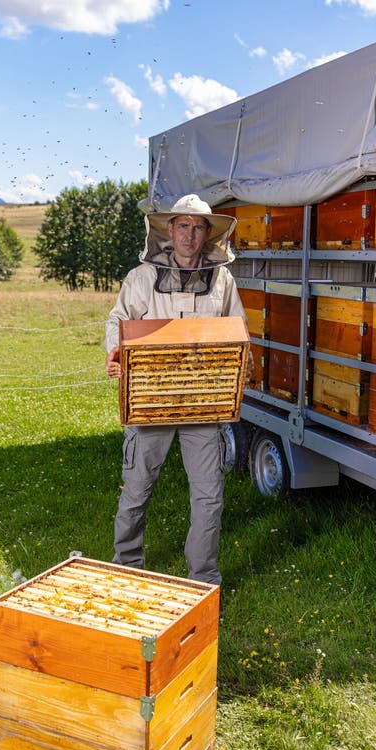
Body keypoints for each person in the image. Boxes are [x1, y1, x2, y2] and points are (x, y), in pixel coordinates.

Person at [104, 193, 251, 587]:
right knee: (137, 489)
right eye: (182, 225)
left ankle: (204, 580)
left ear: (207, 233)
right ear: (170, 230)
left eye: (197, 226)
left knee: (209, 498)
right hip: (151, 401)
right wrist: (114, 352)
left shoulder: (222, 280)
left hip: (204, 407)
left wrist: (240, 368)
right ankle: (126, 567)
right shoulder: (140, 278)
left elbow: (238, 331)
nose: (189, 234)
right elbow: (117, 321)